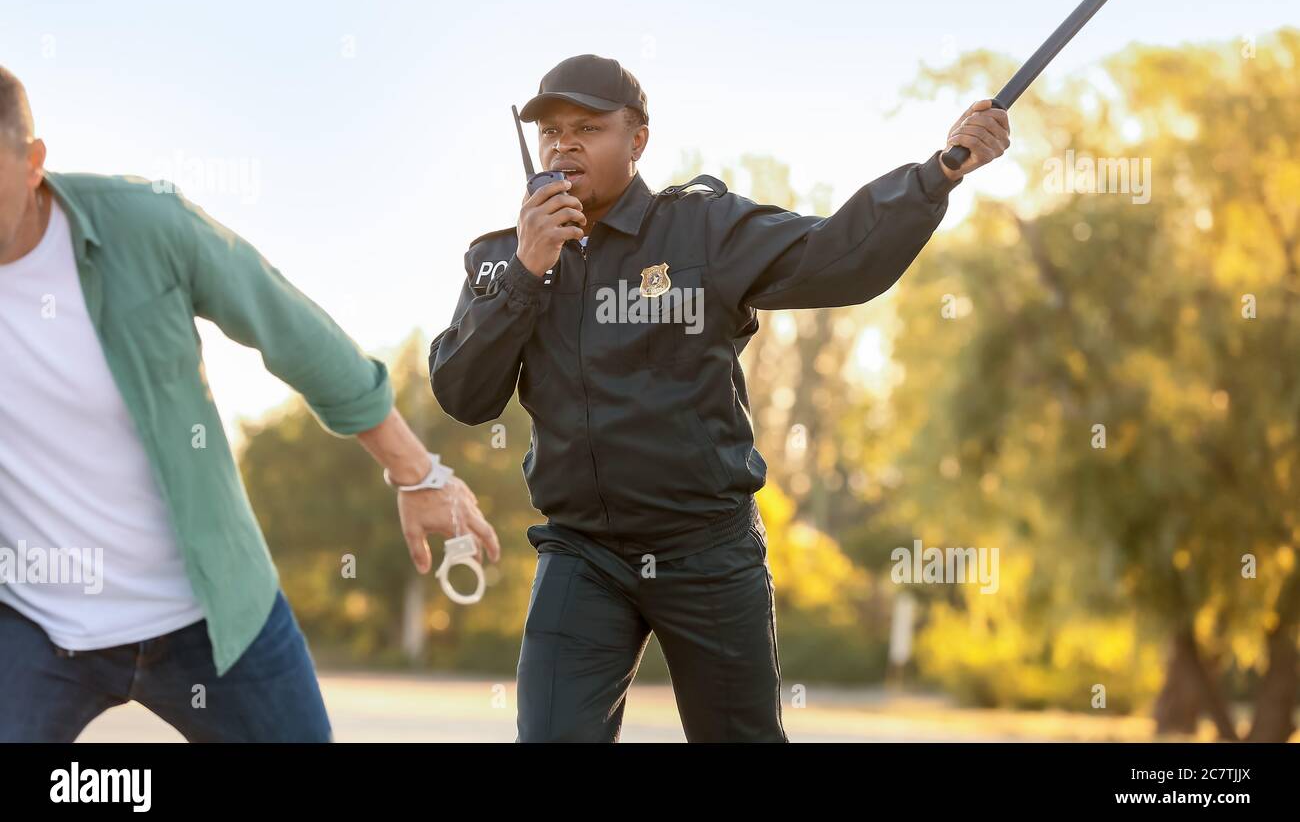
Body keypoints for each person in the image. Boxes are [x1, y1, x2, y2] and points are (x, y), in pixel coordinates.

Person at [430, 53, 1009, 742]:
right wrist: (528, 273)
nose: (565, 144)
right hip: (583, 554)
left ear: (637, 139)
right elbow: (464, 395)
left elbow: (838, 256)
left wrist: (937, 174)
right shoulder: (504, 259)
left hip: (706, 551)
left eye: (588, 127)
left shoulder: (702, 230)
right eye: (552, 131)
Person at [0, 65, 500, 742]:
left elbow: (290, 329)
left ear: (33, 163)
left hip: (213, 613)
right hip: (34, 627)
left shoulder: (145, 226)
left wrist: (418, 472)